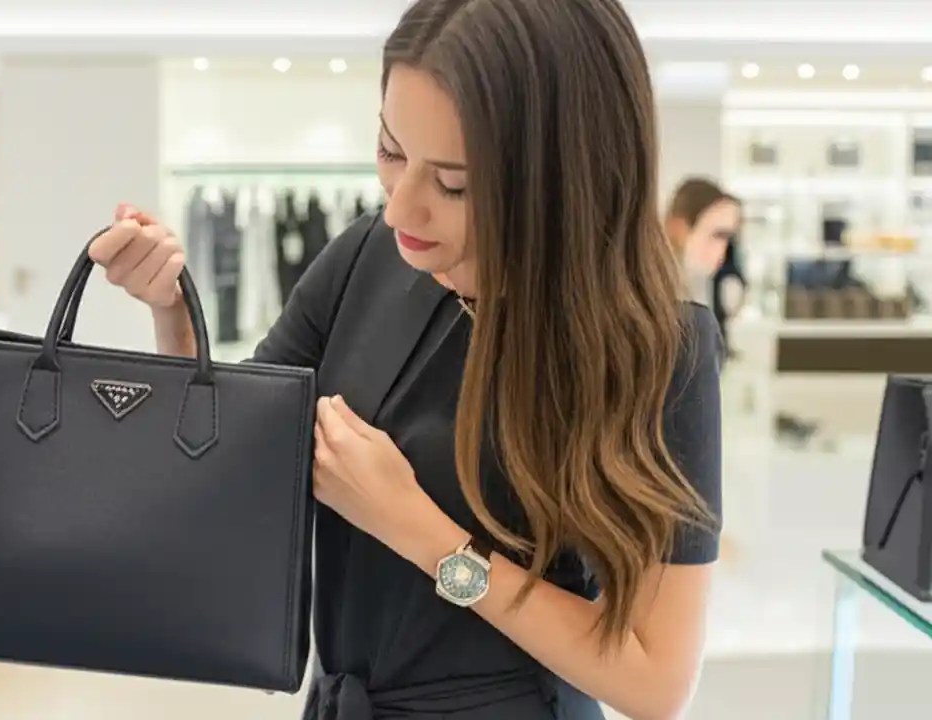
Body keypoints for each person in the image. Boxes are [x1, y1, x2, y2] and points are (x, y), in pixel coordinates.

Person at [89, 1, 721, 718]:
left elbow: (655, 681)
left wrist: (421, 533)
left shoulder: (658, 351)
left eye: (452, 184)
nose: (401, 210)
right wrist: (172, 310)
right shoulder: (367, 255)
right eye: (391, 151)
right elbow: (237, 458)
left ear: (557, 180)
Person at [665, 178, 746, 339]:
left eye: (728, 239)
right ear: (678, 228)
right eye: (718, 235)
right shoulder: (649, 294)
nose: (722, 251)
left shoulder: (704, 288)